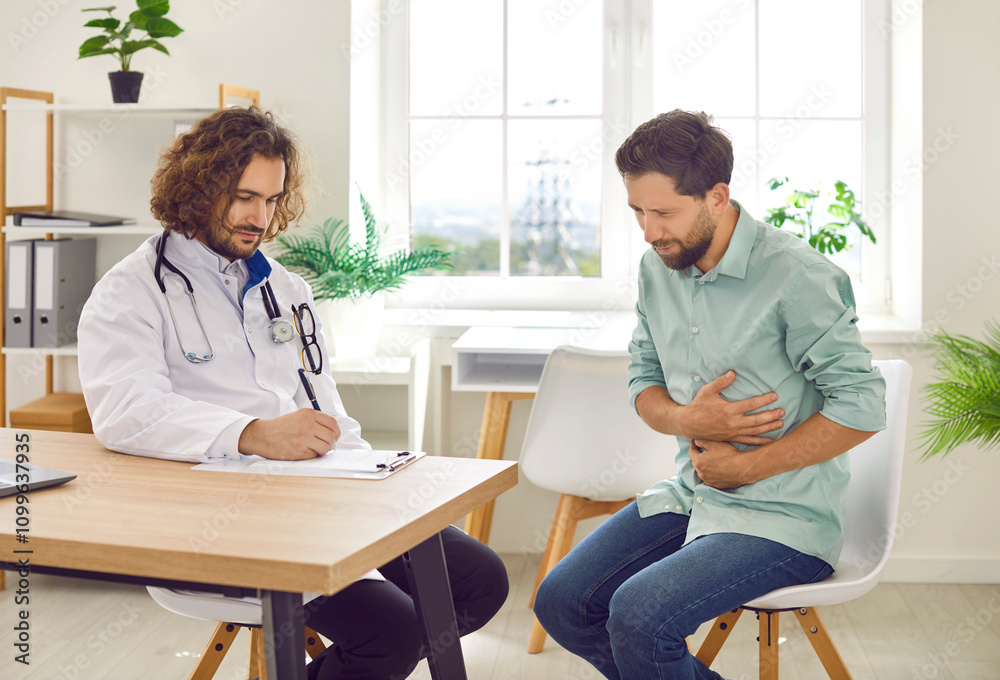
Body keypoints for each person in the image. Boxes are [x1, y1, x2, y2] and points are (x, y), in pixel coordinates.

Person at [77, 106, 508, 680]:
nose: (260, 216)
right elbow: (126, 415)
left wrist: (376, 479)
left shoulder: (286, 289)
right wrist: (252, 435)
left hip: (318, 499)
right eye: (243, 196)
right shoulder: (130, 292)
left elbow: (323, 403)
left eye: (273, 199)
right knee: (396, 630)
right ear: (195, 188)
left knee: (480, 581)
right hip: (215, 522)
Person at [533, 109, 887, 679]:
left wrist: (749, 468)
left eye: (664, 212)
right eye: (637, 213)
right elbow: (643, 377)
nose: (649, 232)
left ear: (717, 197)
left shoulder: (798, 277)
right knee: (563, 601)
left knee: (641, 617)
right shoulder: (658, 268)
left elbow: (862, 408)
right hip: (694, 496)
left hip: (783, 518)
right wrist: (686, 417)